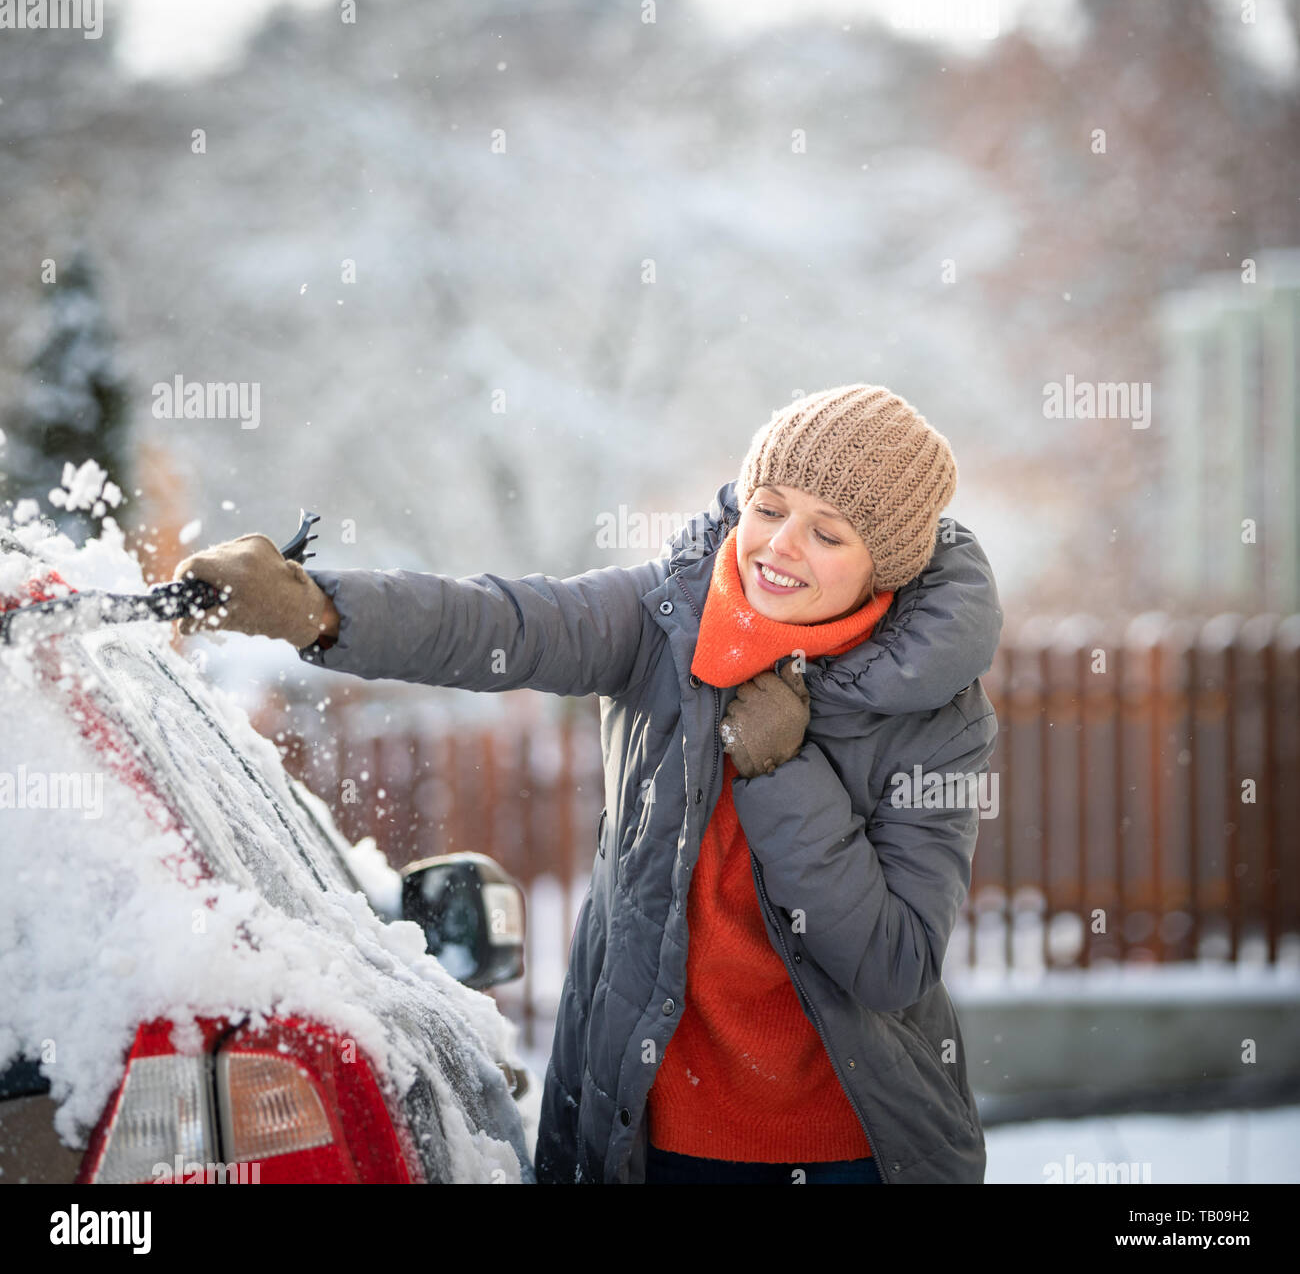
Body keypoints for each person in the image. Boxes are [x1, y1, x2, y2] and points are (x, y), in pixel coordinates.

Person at [173, 382, 1001, 1185]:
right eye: (771, 506)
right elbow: (505, 622)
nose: (780, 546)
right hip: (651, 1141)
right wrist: (318, 607)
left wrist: (782, 774)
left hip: (851, 1153)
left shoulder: (937, 717)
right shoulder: (662, 622)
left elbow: (894, 962)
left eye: (828, 533)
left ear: (882, 565)